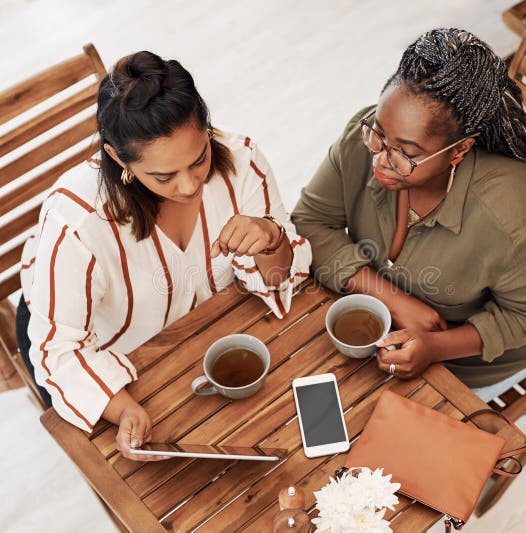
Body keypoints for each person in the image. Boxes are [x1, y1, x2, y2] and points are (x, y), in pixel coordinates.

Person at [16, 51, 311, 460]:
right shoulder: (76, 222)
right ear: (120, 159)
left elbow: (281, 279)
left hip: (194, 332)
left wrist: (273, 237)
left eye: (199, 159)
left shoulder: (243, 161)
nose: (190, 186)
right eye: (164, 176)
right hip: (93, 340)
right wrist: (122, 409)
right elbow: (57, 351)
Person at [291, 28, 526, 401]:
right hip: (392, 314)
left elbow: (522, 318)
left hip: (484, 349)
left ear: (459, 151)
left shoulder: (512, 215)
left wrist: (436, 347)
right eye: (378, 133)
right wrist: (392, 298)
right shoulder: (363, 140)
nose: (380, 158)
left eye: (406, 153)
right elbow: (309, 221)